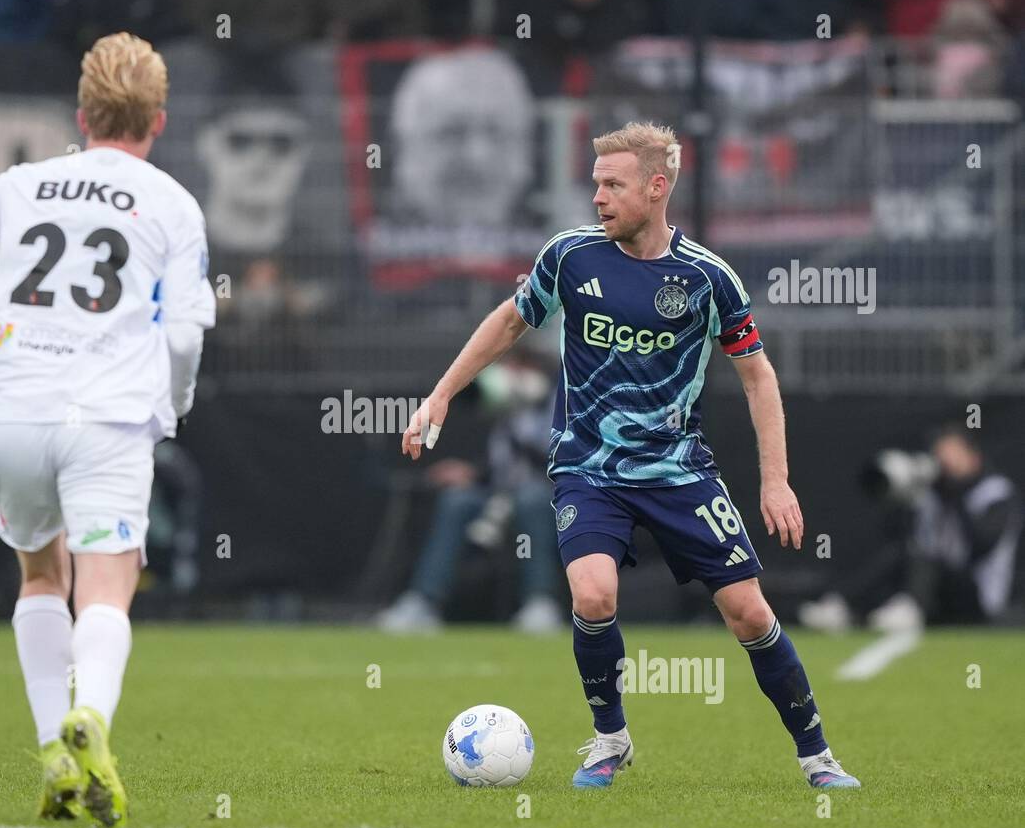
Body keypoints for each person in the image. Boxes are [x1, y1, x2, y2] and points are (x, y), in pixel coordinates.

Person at [401, 121, 861, 790]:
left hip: (680, 472)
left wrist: (776, 481)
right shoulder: (570, 257)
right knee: (592, 594)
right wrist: (441, 395)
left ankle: (818, 757)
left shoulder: (708, 278)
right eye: (595, 184)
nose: (598, 198)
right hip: (588, 469)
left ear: (656, 187)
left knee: (750, 614)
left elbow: (757, 376)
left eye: (612, 185)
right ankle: (610, 741)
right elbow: (509, 320)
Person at [0, 33, 215, 826]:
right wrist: (173, 404)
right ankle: (93, 719)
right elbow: (182, 335)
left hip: (12, 415)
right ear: (159, 120)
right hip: (106, 419)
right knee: (107, 587)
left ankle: (53, 753)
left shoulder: (24, 183)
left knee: (41, 579)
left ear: (81, 115)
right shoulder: (172, 203)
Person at [378, 350, 565, 633]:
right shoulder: (506, 409)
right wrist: (472, 473)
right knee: (457, 501)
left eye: (517, 366)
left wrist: (520, 425)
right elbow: (499, 464)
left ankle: (540, 603)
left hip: (547, 495)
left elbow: (553, 460)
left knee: (531, 500)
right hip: (499, 494)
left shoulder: (559, 402)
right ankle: (423, 602)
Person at [801, 427, 1021, 632]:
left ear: (973, 458)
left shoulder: (996, 493)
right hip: (936, 590)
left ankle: (912, 607)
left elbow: (980, 546)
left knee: (926, 559)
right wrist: (909, 498)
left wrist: (956, 495)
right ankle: (843, 605)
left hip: (978, 595)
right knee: (900, 555)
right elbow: (901, 539)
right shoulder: (933, 494)